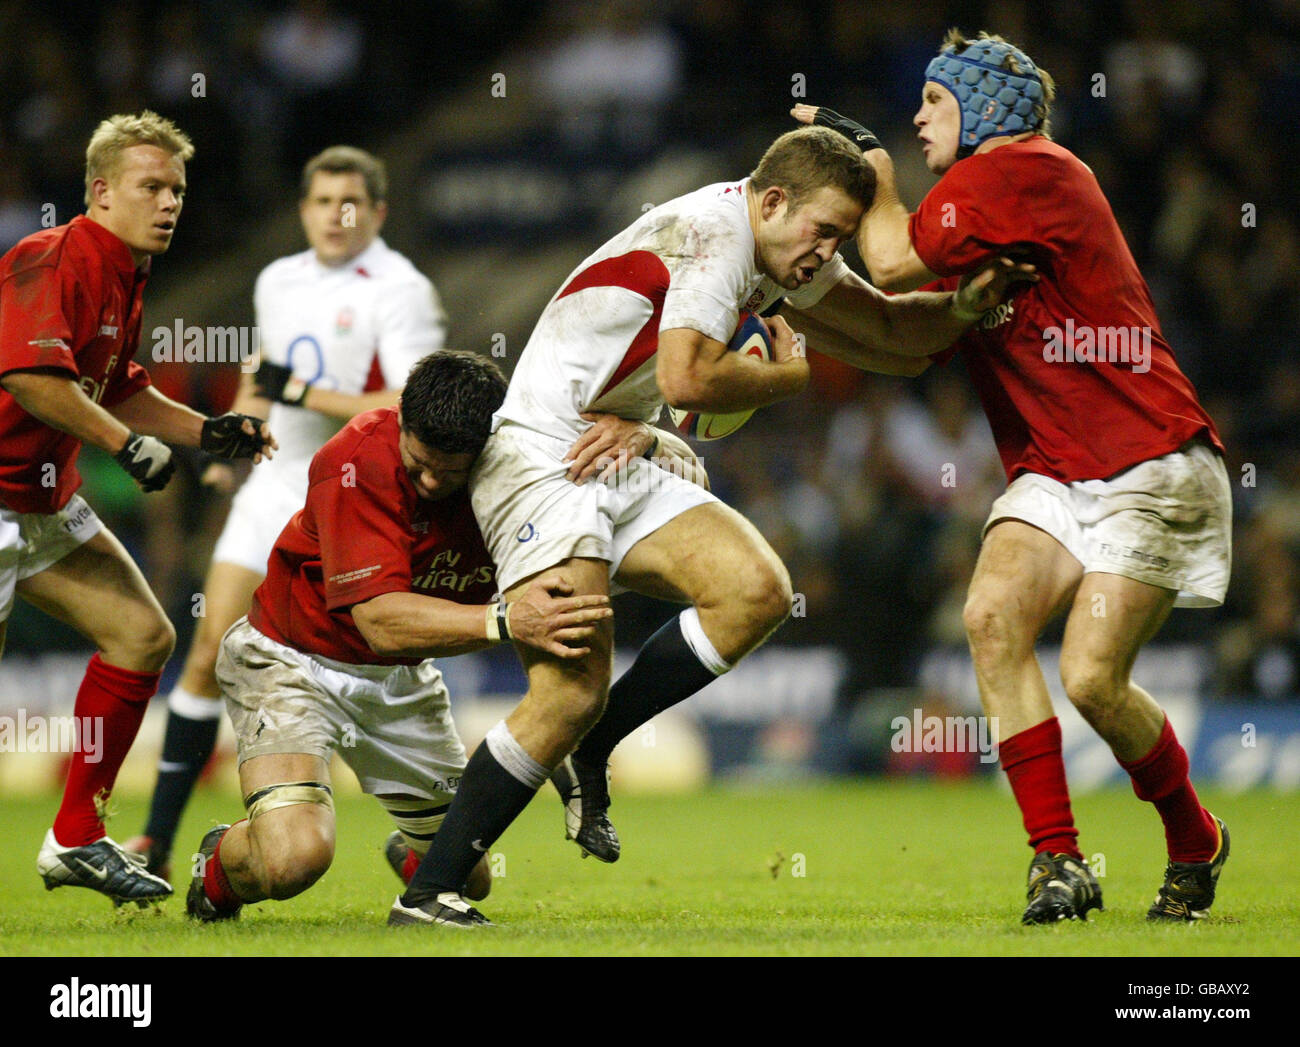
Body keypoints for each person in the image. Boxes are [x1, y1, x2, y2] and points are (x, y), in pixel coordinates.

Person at [392, 124, 1031, 928]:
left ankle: (594, 745)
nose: (828, 252)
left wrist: (971, 303)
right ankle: (428, 890)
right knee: (568, 687)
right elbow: (689, 374)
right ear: (771, 201)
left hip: (614, 443)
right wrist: (790, 374)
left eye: (839, 236)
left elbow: (894, 339)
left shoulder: (775, 250)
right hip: (541, 455)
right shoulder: (717, 236)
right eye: (823, 232)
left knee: (756, 590)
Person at [792, 28, 1232, 923]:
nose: (917, 119)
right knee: (991, 614)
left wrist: (870, 167)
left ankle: (1196, 838)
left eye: (934, 103)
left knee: (1091, 678)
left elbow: (888, 262)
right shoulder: (994, 207)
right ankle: (1058, 862)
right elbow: (905, 320)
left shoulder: (1026, 168)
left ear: (983, 111)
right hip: (1058, 474)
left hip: (1150, 461)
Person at [184, 350, 688, 923]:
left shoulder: (515, 466)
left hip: (399, 680)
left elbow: (636, 457)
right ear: (400, 419)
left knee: (466, 877)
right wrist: (506, 620)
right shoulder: (354, 461)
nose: (429, 481)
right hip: (289, 660)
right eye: (419, 462)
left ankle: (413, 849)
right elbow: (380, 623)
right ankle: (217, 866)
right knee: (296, 859)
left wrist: (649, 439)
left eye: (450, 472)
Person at [124, 145, 447, 881]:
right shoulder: (278, 279)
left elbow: (412, 405)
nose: (337, 215)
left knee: (371, 650)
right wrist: (230, 437)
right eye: (322, 201)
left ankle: (413, 820)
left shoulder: (401, 290)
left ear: (378, 211)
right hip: (275, 485)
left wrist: (299, 392)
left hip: (355, 497)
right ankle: (157, 842)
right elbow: (263, 373)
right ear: (302, 210)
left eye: (352, 202)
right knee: (206, 652)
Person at [0, 110, 274, 907]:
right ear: (100, 190)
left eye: (178, 189)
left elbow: (117, 387)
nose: (170, 203)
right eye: (151, 186)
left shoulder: (125, 273)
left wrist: (206, 432)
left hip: (40, 501)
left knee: (142, 635)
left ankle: (76, 838)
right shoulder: (48, 256)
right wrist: (123, 445)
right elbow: (28, 379)